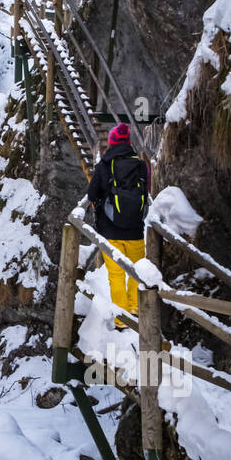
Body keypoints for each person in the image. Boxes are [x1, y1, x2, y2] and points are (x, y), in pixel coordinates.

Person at [86, 122, 150, 325]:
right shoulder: (141, 166)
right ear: (129, 143)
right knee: (136, 271)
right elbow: (146, 191)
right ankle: (135, 311)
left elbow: (91, 194)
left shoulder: (103, 166)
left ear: (111, 143)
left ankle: (122, 319)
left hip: (110, 230)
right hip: (135, 229)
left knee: (116, 275)